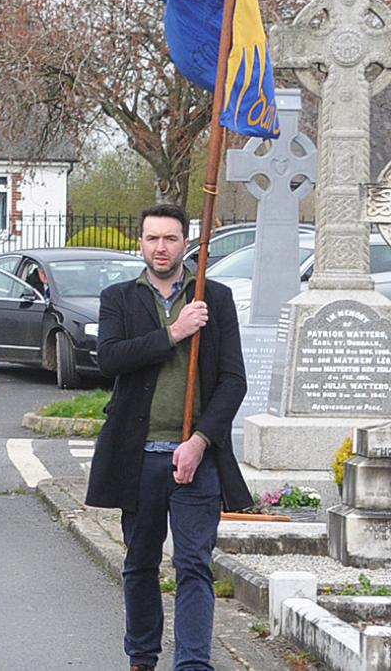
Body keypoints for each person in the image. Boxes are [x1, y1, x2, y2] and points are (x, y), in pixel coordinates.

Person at [86, 204, 249, 671]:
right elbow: (111, 358)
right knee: (139, 563)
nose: (161, 247)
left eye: (171, 239)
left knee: (195, 564)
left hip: (196, 459)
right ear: (140, 242)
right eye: (152, 238)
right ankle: (142, 656)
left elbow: (233, 380)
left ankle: (194, 663)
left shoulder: (214, 298)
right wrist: (174, 332)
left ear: (186, 244)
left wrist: (199, 441)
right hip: (138, 457)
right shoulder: (120, 298)